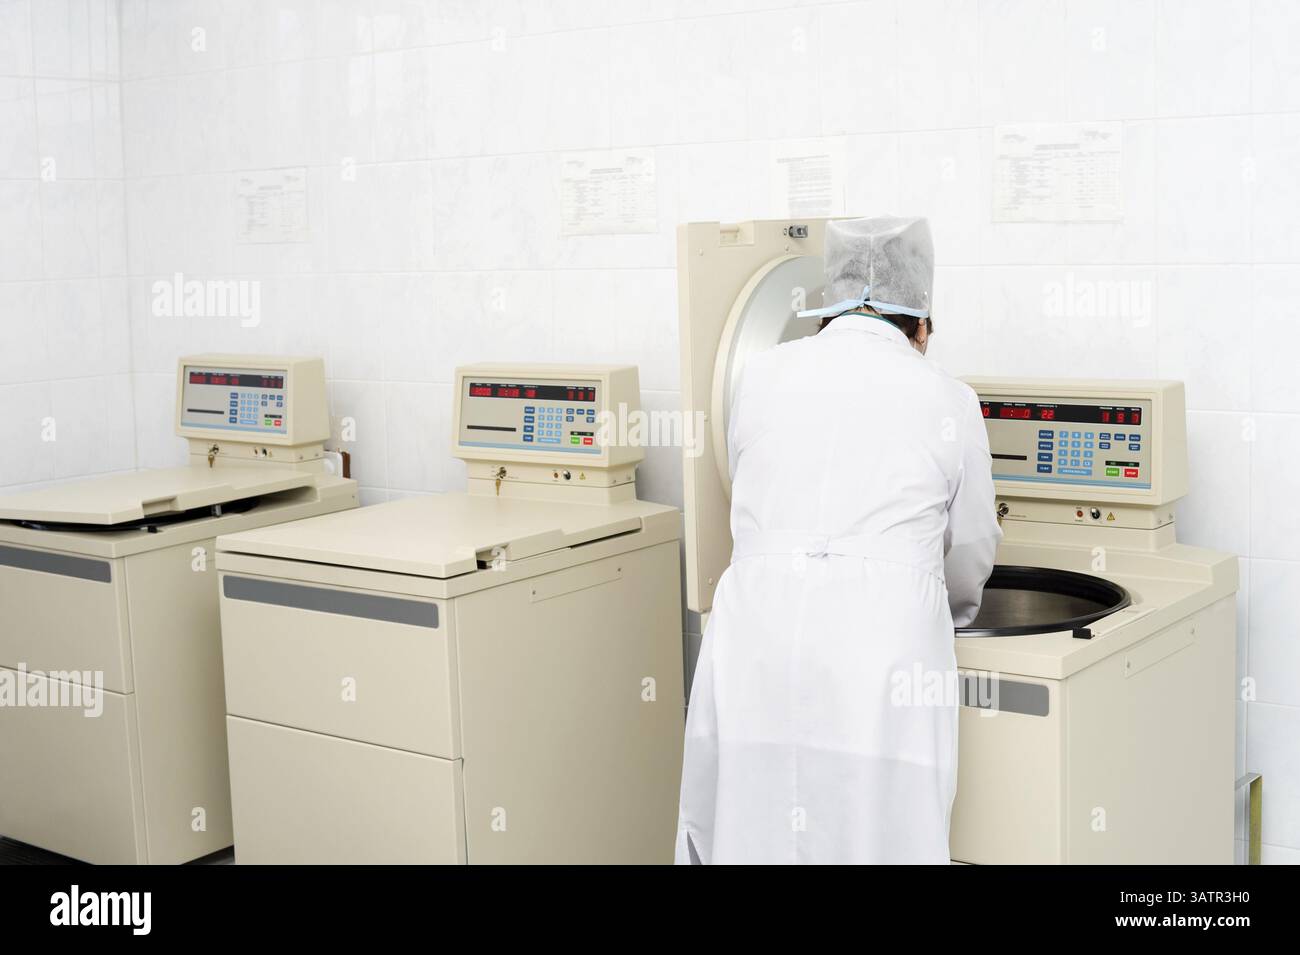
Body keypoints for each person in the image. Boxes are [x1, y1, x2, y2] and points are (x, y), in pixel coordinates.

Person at [675, 216, 1002, 864]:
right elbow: (970, 553)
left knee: (750, 825)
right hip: (879, 648)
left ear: (828, 304)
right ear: (922, 321)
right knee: (878, 835)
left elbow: (752, 491)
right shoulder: (948, 398)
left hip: (755, 636)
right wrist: (955, 612)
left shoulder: (761, 376)